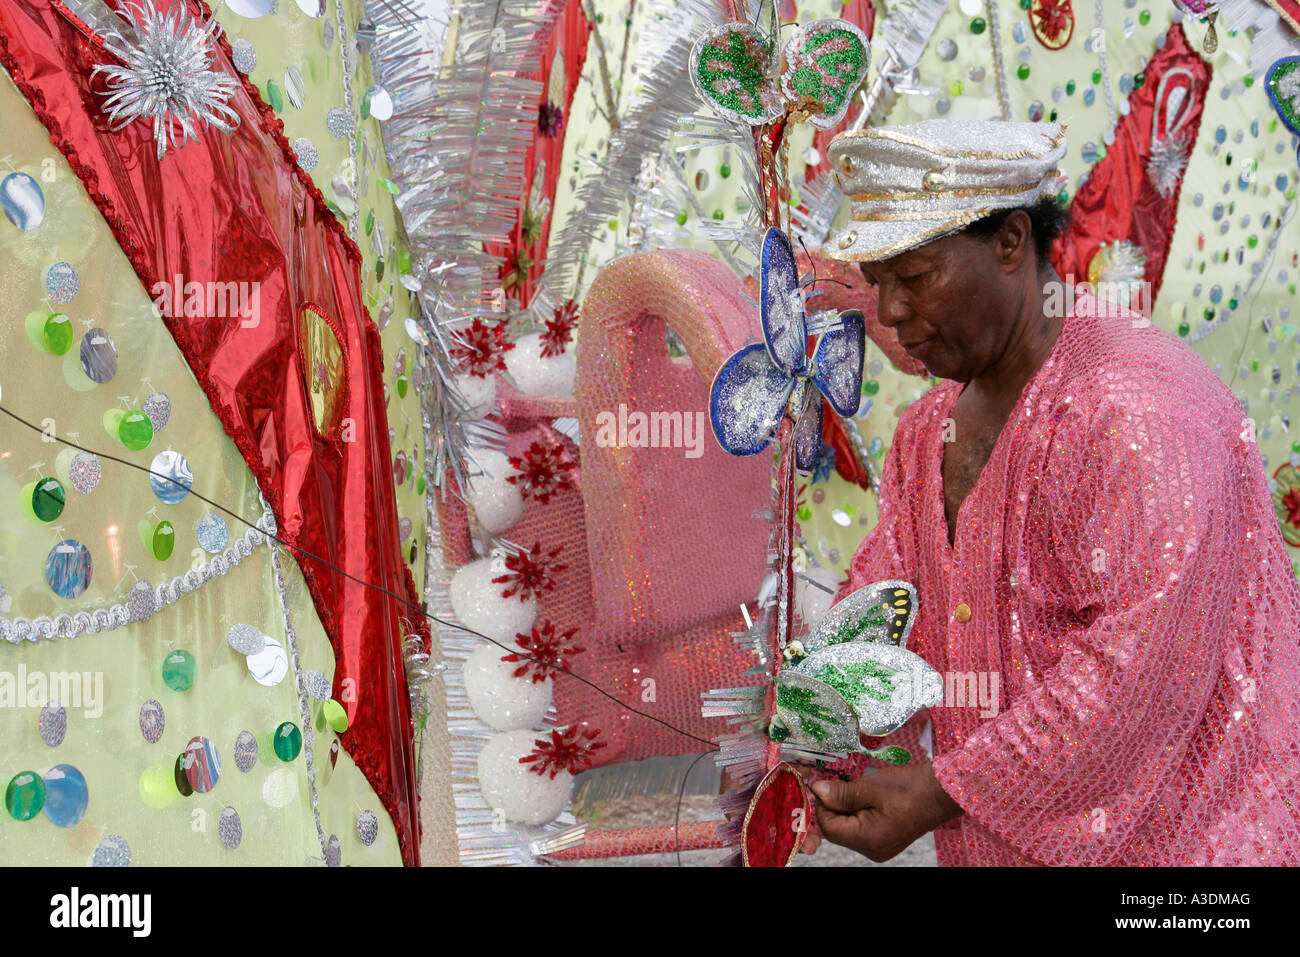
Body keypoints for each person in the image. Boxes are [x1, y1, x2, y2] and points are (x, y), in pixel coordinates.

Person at [801, 118, 1300, 865]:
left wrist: (940, 793)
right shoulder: (928, 427)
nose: (894, 314)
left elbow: (1137, 675)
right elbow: (890, 592)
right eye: (879, 285)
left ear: (1009, 243)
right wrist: (813, 703)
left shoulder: (1136, 410)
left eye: (914, 277)